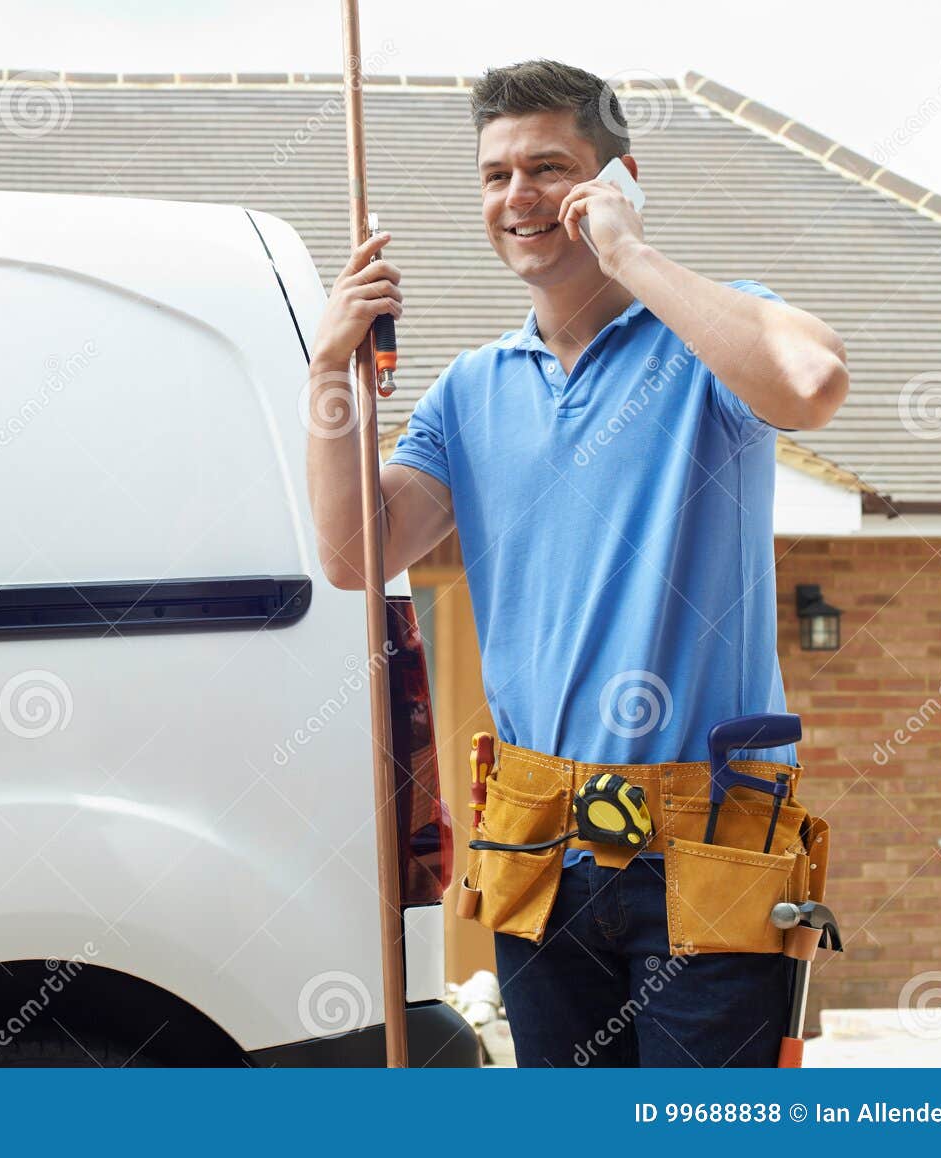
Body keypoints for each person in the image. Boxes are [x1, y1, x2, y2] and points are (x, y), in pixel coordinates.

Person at [305, 59, 847, 1067]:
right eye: (495, 174)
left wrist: (631, 254)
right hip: (538, 847)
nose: (517, 197)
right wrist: (327, 370)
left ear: (617, 180)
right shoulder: (472, 392)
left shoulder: (705, 342)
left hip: (706, 851)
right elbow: (351, 553)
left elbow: (811, 381)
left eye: (547, 168)